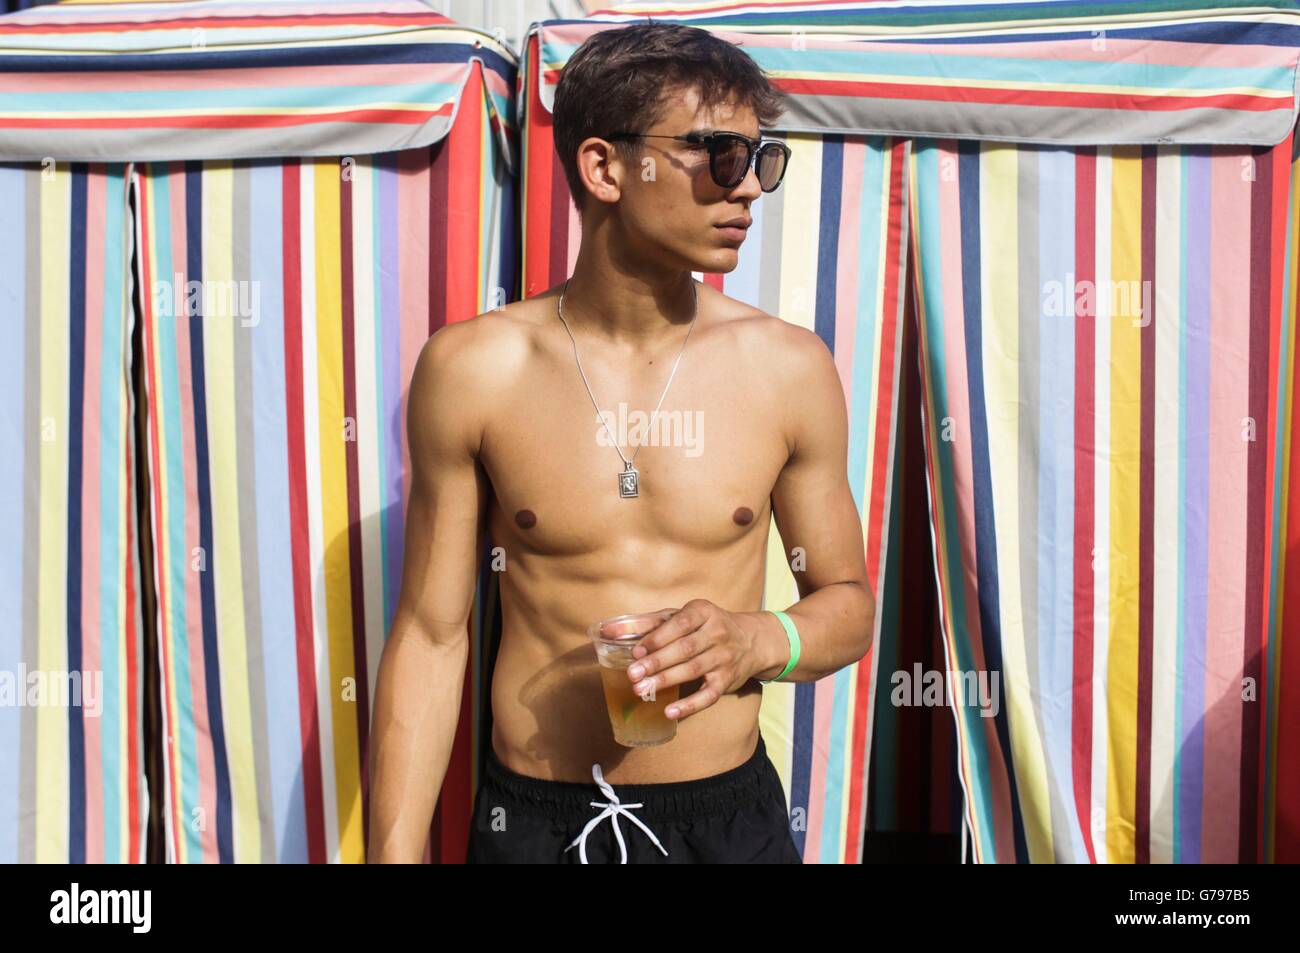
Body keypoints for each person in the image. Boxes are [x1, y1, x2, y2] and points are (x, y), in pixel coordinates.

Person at [367, 20, 874, 864]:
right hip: (532, 823)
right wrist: (392, 853)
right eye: (718, 155)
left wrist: (757, 637)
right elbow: (429, 633)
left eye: (760, 160)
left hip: (726, 822)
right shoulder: (474, 369)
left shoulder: (788, 368)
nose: (747, 188)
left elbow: (848, 602)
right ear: (605, 167)